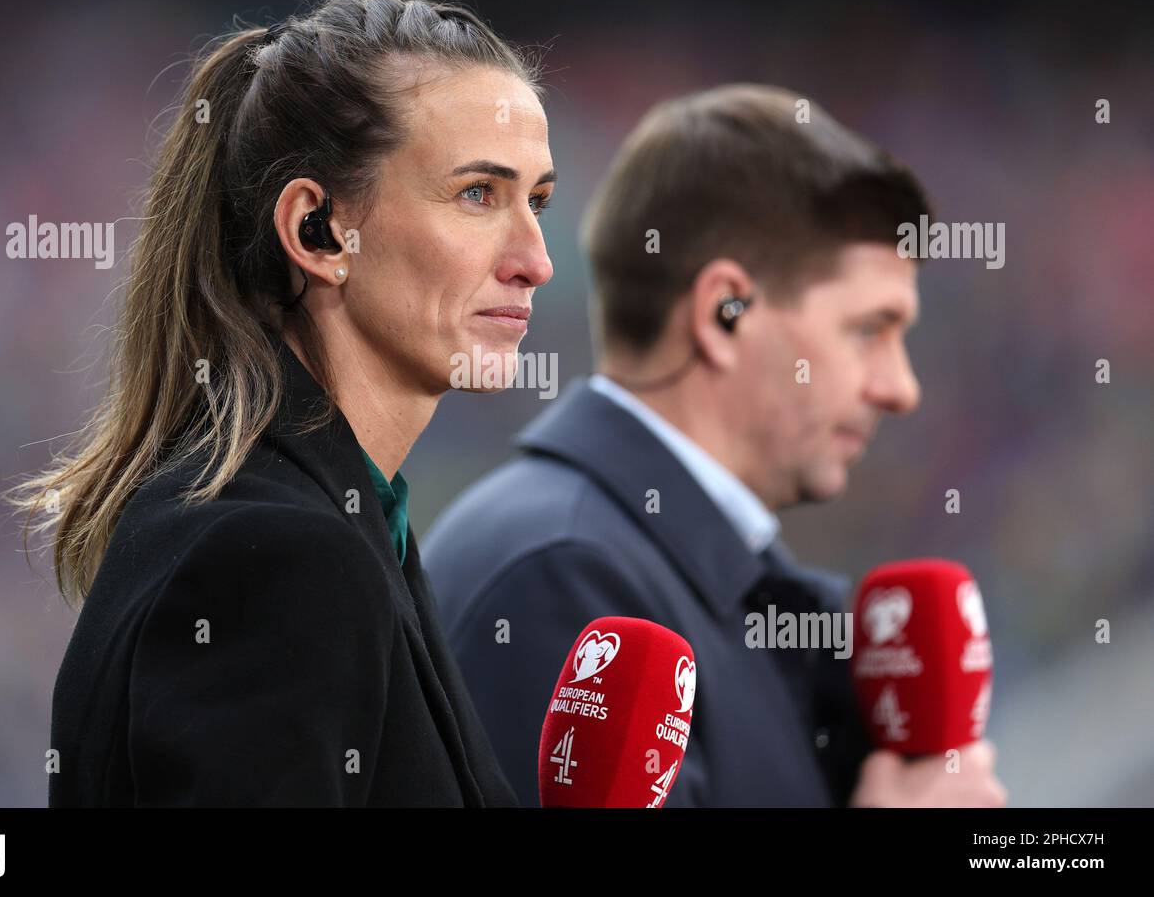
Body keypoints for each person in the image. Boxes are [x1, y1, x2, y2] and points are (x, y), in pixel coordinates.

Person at [6, 0, 557, 806]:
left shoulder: (340, 525)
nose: (535, 261)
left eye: (537, 201)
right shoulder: (278, 559)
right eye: (479, 193)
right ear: (318, 232)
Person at [422, 84, 1007, 807]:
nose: (900, 388)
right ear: (725, 313)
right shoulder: (564, 579)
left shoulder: (674, 572)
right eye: (869, 331)